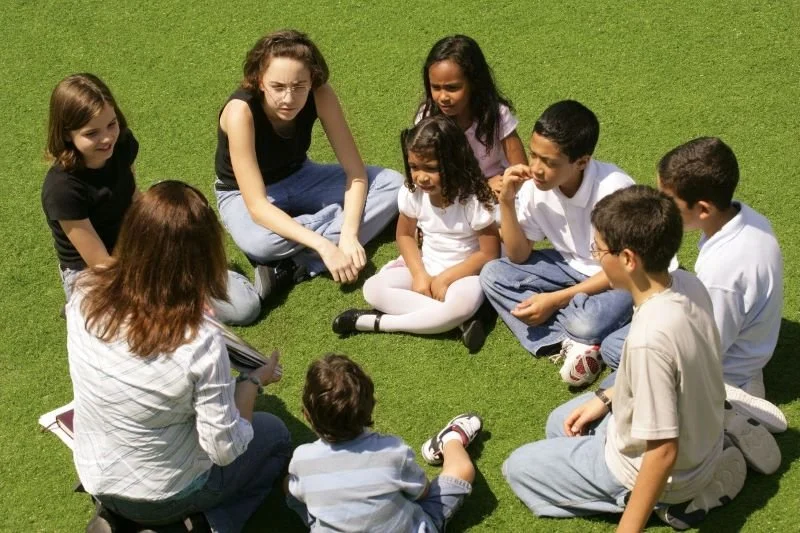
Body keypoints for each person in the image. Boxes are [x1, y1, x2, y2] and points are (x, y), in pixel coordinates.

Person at [503, 185, 752, 531]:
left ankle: (672, 505)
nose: (595, 257)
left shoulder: (650, 338)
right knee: (559, 422)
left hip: (664, 474)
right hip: (701, 440)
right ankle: (710, 459)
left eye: (599, 249)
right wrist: (605, 398)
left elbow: (662, 451)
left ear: (628, 259)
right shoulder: (688, 284)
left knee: (518, 468)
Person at [67, 181, 290, 532]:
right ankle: (202, 525)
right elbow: (224, 450)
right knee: (273, 435)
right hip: (165, 491)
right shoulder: (198, 342)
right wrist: (250, 384)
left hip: (97, 471)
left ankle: (115, 517)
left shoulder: (84, 292)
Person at [599, 137, 787, 433]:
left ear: (702, 209)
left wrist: (611, 395)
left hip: (723, 374)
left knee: (623, 398)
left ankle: (733, 414)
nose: (659, 207)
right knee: (613, 346)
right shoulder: (746, 218)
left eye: (667, 200)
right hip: (738, 348)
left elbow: (701, 352)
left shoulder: (723, 272)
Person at [41, 73, 260, 325]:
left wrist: (163, 238)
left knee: (245, 307)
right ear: (67, 134)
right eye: (92, 133)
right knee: (138, 331)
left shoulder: (122, 144)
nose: (107, 139)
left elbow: (135, 199)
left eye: (111, 124)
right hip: (95, 273)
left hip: (138, 247)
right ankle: (79, 306)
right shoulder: (62, 189)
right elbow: (101, 265)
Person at [214, 29, 403, 299]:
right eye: (278, 87)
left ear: (312, 80)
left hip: (301, 174)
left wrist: (349, 235)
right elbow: (257, 207)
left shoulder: (321, 95)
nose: (289, 99)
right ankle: (331, 222)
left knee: (392, 185)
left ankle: (295, 264)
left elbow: (356, 173)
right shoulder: (240, 112)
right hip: (241, 194)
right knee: (261, 243)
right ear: (259, 81)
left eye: (299, 86)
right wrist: (326, 246)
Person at [479, 100, 634, 385]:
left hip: (623, 278)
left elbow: (625, 270)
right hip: (571, 266)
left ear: (582, 161)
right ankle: (576, 342)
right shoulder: (536, 187)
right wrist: (507, 202)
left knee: (584, 323)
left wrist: (555, 300)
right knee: (492, 274)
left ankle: (583, 333)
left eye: (549, 162)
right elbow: (518, 255)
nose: (536, 169)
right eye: (534, 155)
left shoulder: (615, 190)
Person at [331, 116, 500, 352]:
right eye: (414, 167)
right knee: (373, 289)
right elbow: (405, 235)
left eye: (431, 168)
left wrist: (447, 278)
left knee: (458, 307)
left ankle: (375, 322)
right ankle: (457, 324)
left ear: (454, 163)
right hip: (426, 266)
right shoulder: (413, 193)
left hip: (465, 276)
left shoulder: (473, 200)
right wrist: (420, 275)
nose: (420, 176)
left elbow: (489, 253)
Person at [286, 353, 482, 532]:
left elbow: (291, 489)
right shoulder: (391, 451)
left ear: (306, 415)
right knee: (462, 470)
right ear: (370, 406)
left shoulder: (302, 460)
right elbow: (422, 493)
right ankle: (451, 439)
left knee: (293, 490)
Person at [417, 34, 527, 197]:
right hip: (454, 196)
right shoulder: (426, 119)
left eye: (452, 88)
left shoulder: (497, 115)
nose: (443, 97)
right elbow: (429, 175)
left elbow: (521, 168)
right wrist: (482, 187)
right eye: (436, 88)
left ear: (474, 83)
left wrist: (506, 186)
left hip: (499, 189)